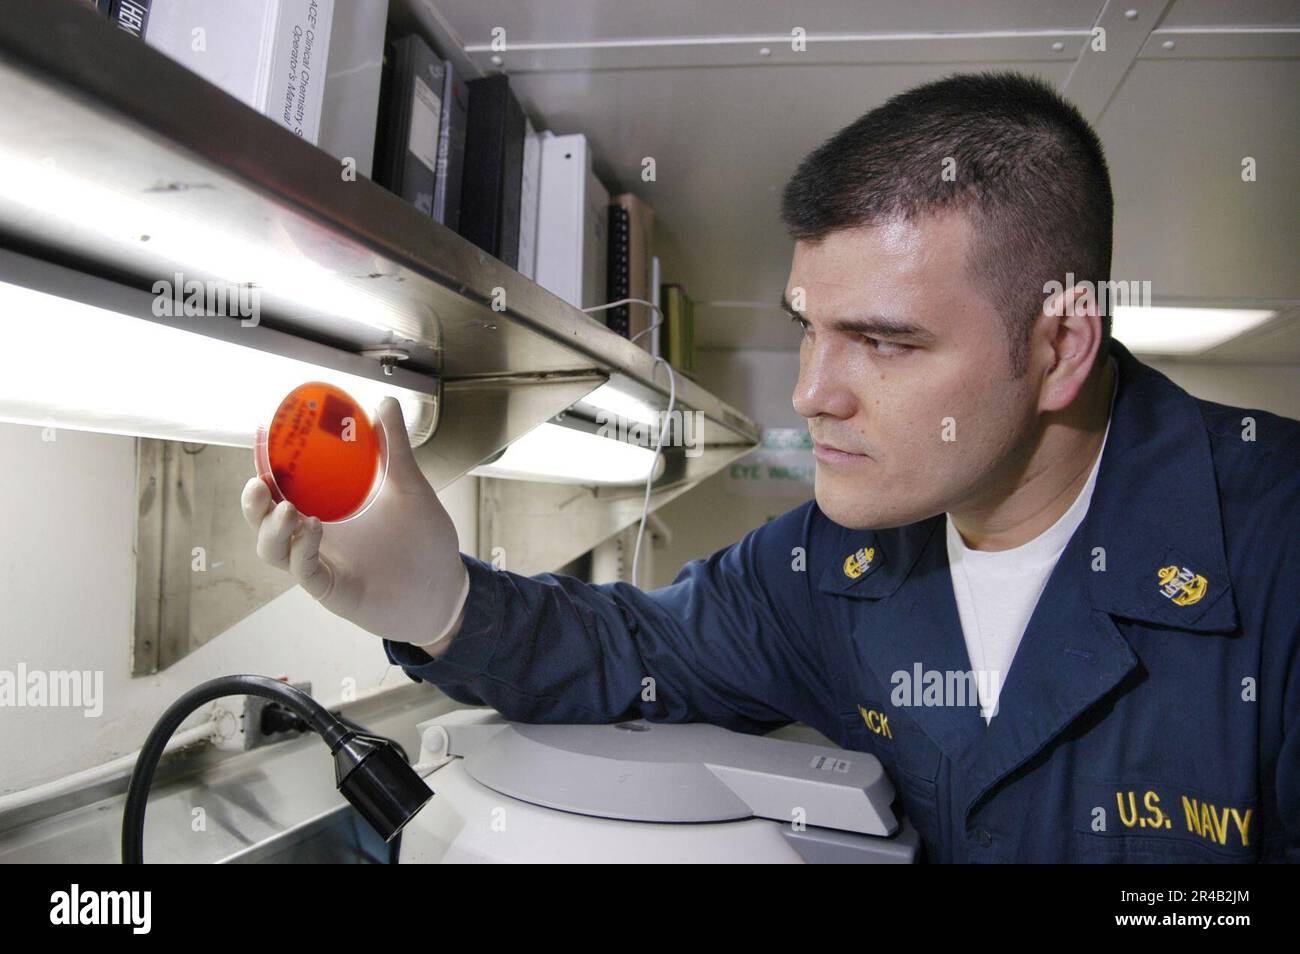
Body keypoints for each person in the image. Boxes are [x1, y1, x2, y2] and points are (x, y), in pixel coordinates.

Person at [242, 71, 1299, 863]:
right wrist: (439, 600)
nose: (811, 395)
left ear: (1059, 346)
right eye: (809, 328)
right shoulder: (829, 566)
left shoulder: (1277, 551)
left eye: (884, 342)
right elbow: (633, 654)